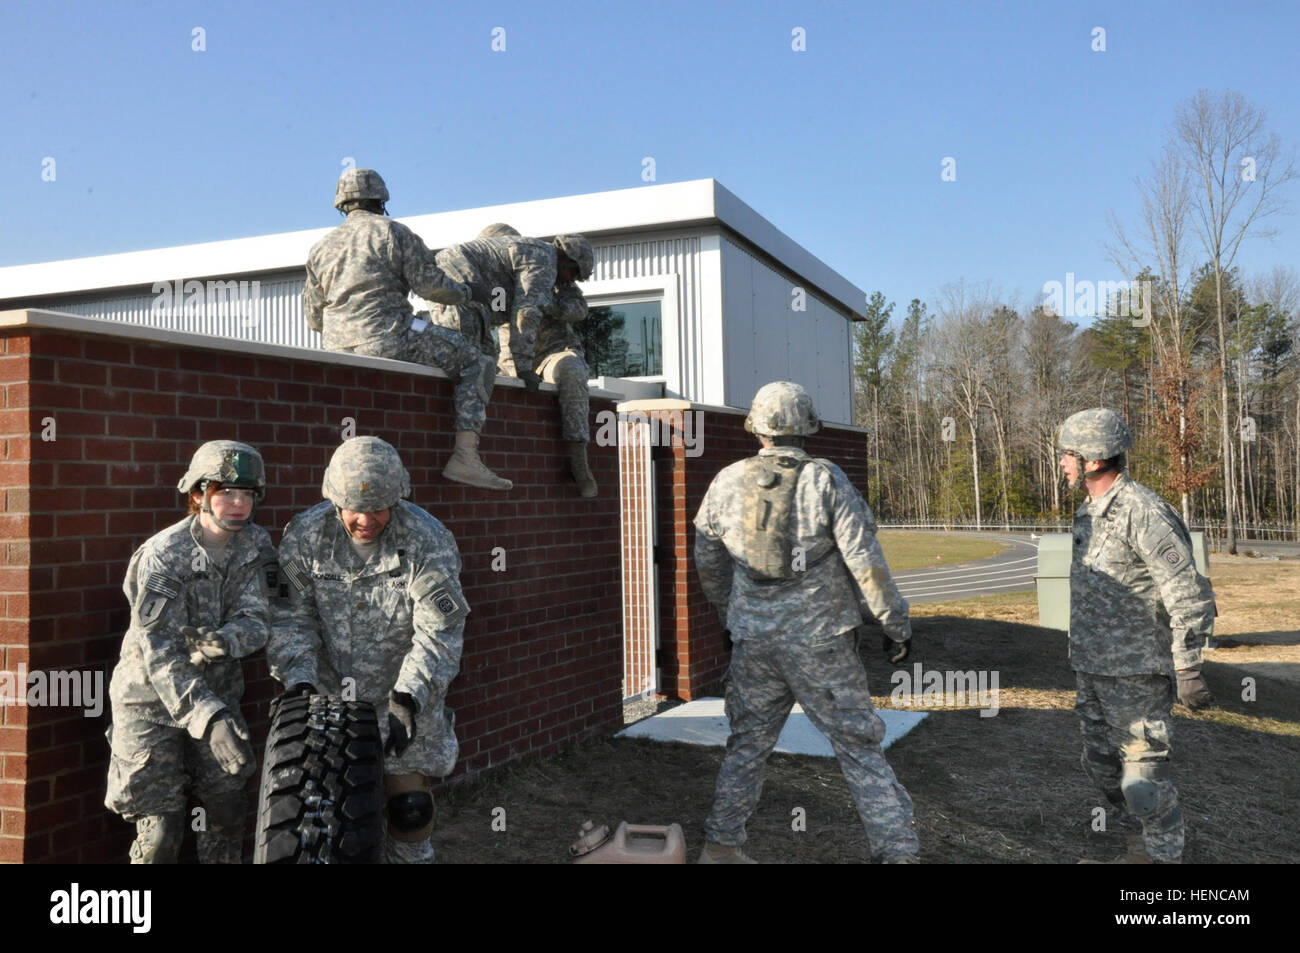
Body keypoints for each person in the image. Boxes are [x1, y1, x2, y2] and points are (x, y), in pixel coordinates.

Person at [692, 381, 919, 863]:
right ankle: (897, 854)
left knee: (747, 744)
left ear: (755, 426)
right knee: (858, 748)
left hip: (754, 640)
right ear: (809, 426)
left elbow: (708, 558)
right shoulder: (826, 479)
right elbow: (866, 562)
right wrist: (894, 625)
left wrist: (728, 614)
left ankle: (721, 845)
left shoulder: (726, 481)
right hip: (822, 643)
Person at [268, 436, 468, 864]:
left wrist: (409, 696)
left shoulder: (427, 540)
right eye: (354, 509)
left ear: (397, 499)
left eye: (378, 508)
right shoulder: (304, 536)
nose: (365, 519)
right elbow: (287, 616)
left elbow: (440, 632)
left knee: (409, 812)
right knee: (324, 822)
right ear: (333, 499)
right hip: (326, 701)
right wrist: (298, 681)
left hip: (402, 700)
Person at [105, 440, 277, 863]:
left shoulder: (260, 547)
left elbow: (268, 613)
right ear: (198, 495)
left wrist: (227, 641)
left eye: (247, 494)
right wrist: (210, 717)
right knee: (160, 835)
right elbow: (159, 650)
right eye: (225, 492)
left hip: (217, 693)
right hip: (151, 704)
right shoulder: (163, 556)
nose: (238, 503)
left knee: (226, 812)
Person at [1059, 408, 1216, 864]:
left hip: (1137, 673)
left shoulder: (1144, 512)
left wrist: (1187, 665)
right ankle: (1137, 845)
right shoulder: (1087, 514)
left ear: (1092, 460)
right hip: (1091, 667)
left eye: (1068, 455)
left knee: (1142, 785)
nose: (1063, 463)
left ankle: (1162, 862)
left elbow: (1187, 589)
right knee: (1102, 770)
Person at [303, 168, 511, 491]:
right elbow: (431, 286)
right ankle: (465, 458)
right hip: (390, 335)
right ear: (381, 199)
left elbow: (313, 316)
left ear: (342, 204)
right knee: (476, 360)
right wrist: (469, 292)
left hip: (336, 345)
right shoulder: (393, 233)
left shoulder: (320, 248)